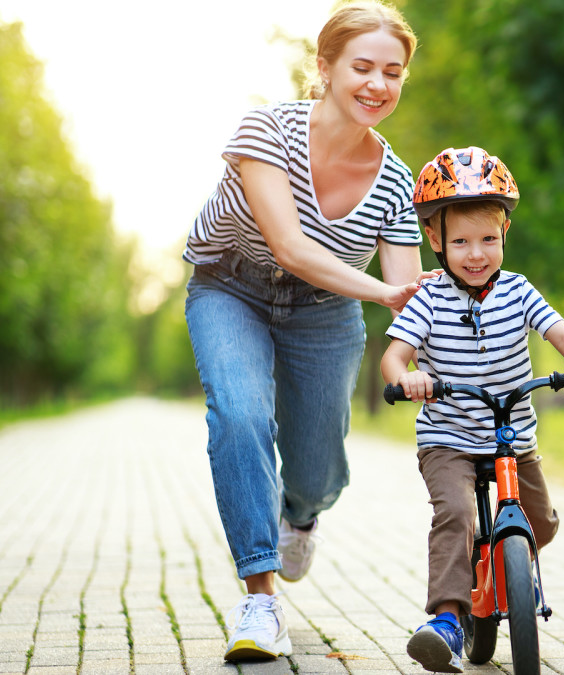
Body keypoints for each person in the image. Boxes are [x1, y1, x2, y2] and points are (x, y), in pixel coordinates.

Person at [182, 1, 429, 662]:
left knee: (317, 465)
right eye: (363, 67)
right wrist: (381, 289)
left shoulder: (398, 182)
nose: (378, 84)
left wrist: (428, 357)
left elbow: (411, 297)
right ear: (324, 67)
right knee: (239, 415)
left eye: (393, 72)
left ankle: (302, 515)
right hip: (230, 286)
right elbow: (288, 245)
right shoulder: (265, 130)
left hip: (324, 309)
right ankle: (260, 598)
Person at [381, 147, 564, 673]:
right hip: (449, 439)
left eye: (487, 239)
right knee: (455, 514)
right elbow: (393, 356)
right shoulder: (429, 299)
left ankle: (505, 568)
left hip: (512, 437)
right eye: (460, 241)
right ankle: (448, 620)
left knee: (542, 523)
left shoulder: (519, 291)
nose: (475, 253)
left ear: (505, 231)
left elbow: (562, 333)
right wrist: (407, 379)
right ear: (435, 241)